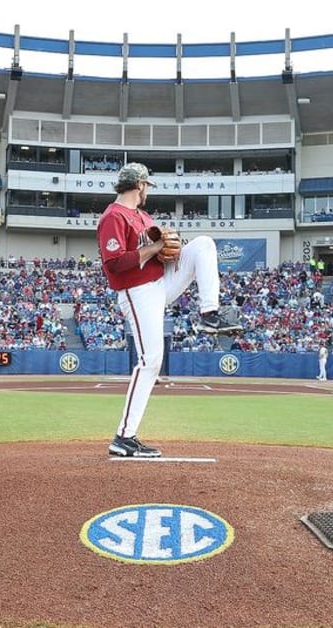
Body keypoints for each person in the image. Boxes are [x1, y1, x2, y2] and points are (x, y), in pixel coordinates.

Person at [97, 162, 241, 458]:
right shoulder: (114, 216)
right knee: (151, 361)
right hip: (136, 291)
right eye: (147, 185)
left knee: (202, 245)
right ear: (139, 185)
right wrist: (155, 247)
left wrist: (168, 249)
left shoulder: (143, 215)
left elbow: (158, 252)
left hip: (159, 282)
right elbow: (114, 264)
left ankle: (209, 314)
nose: (148, 190)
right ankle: (124, 437)